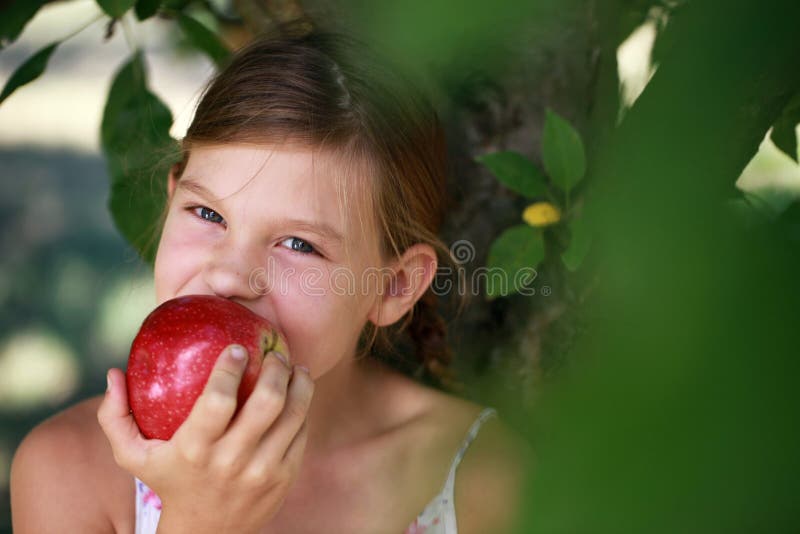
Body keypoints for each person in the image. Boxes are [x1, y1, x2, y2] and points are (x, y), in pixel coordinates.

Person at [10, 24, 529, 534]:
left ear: (395, 287)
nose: (231, 275)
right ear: (170, 202)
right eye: (207, 214)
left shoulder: (480, 479)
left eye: (299, 244)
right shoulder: (69, 472)